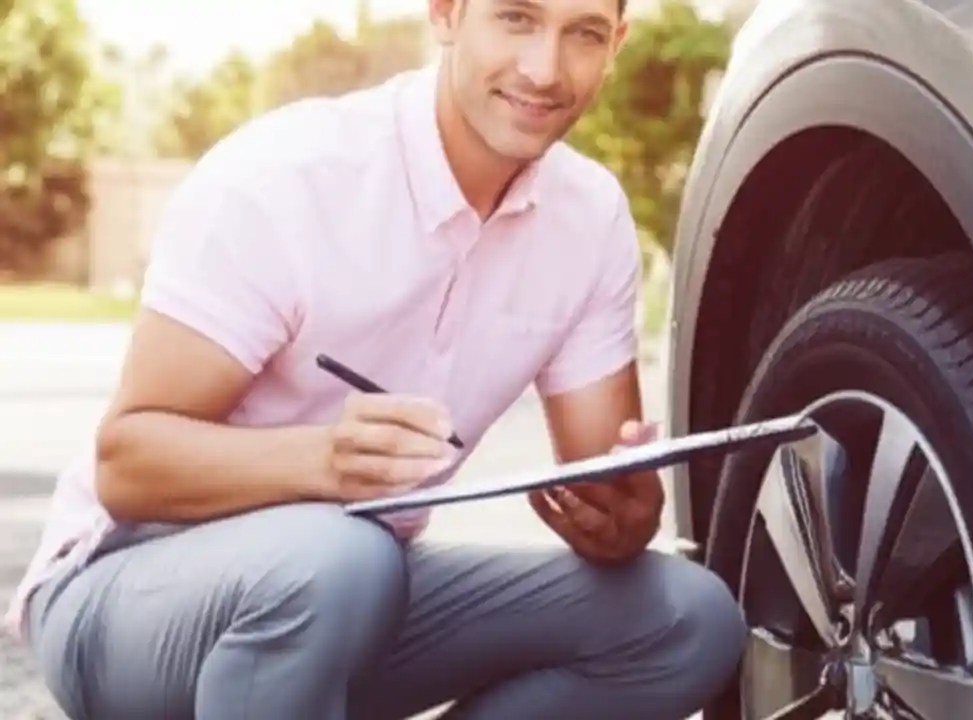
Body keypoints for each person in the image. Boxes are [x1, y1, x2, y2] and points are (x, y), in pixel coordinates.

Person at [3, 0, 749, 716]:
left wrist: (623, 516)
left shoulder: (589, 220)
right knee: (342, 559)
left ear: (615, 46)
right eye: (516, 18)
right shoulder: (289, 176)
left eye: (582, 33)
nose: (545, 69)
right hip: (121, 596)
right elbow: (128, 462)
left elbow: (606, 486)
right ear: (445, 12)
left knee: (689, 619)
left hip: (352, 594)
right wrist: (322, 462)